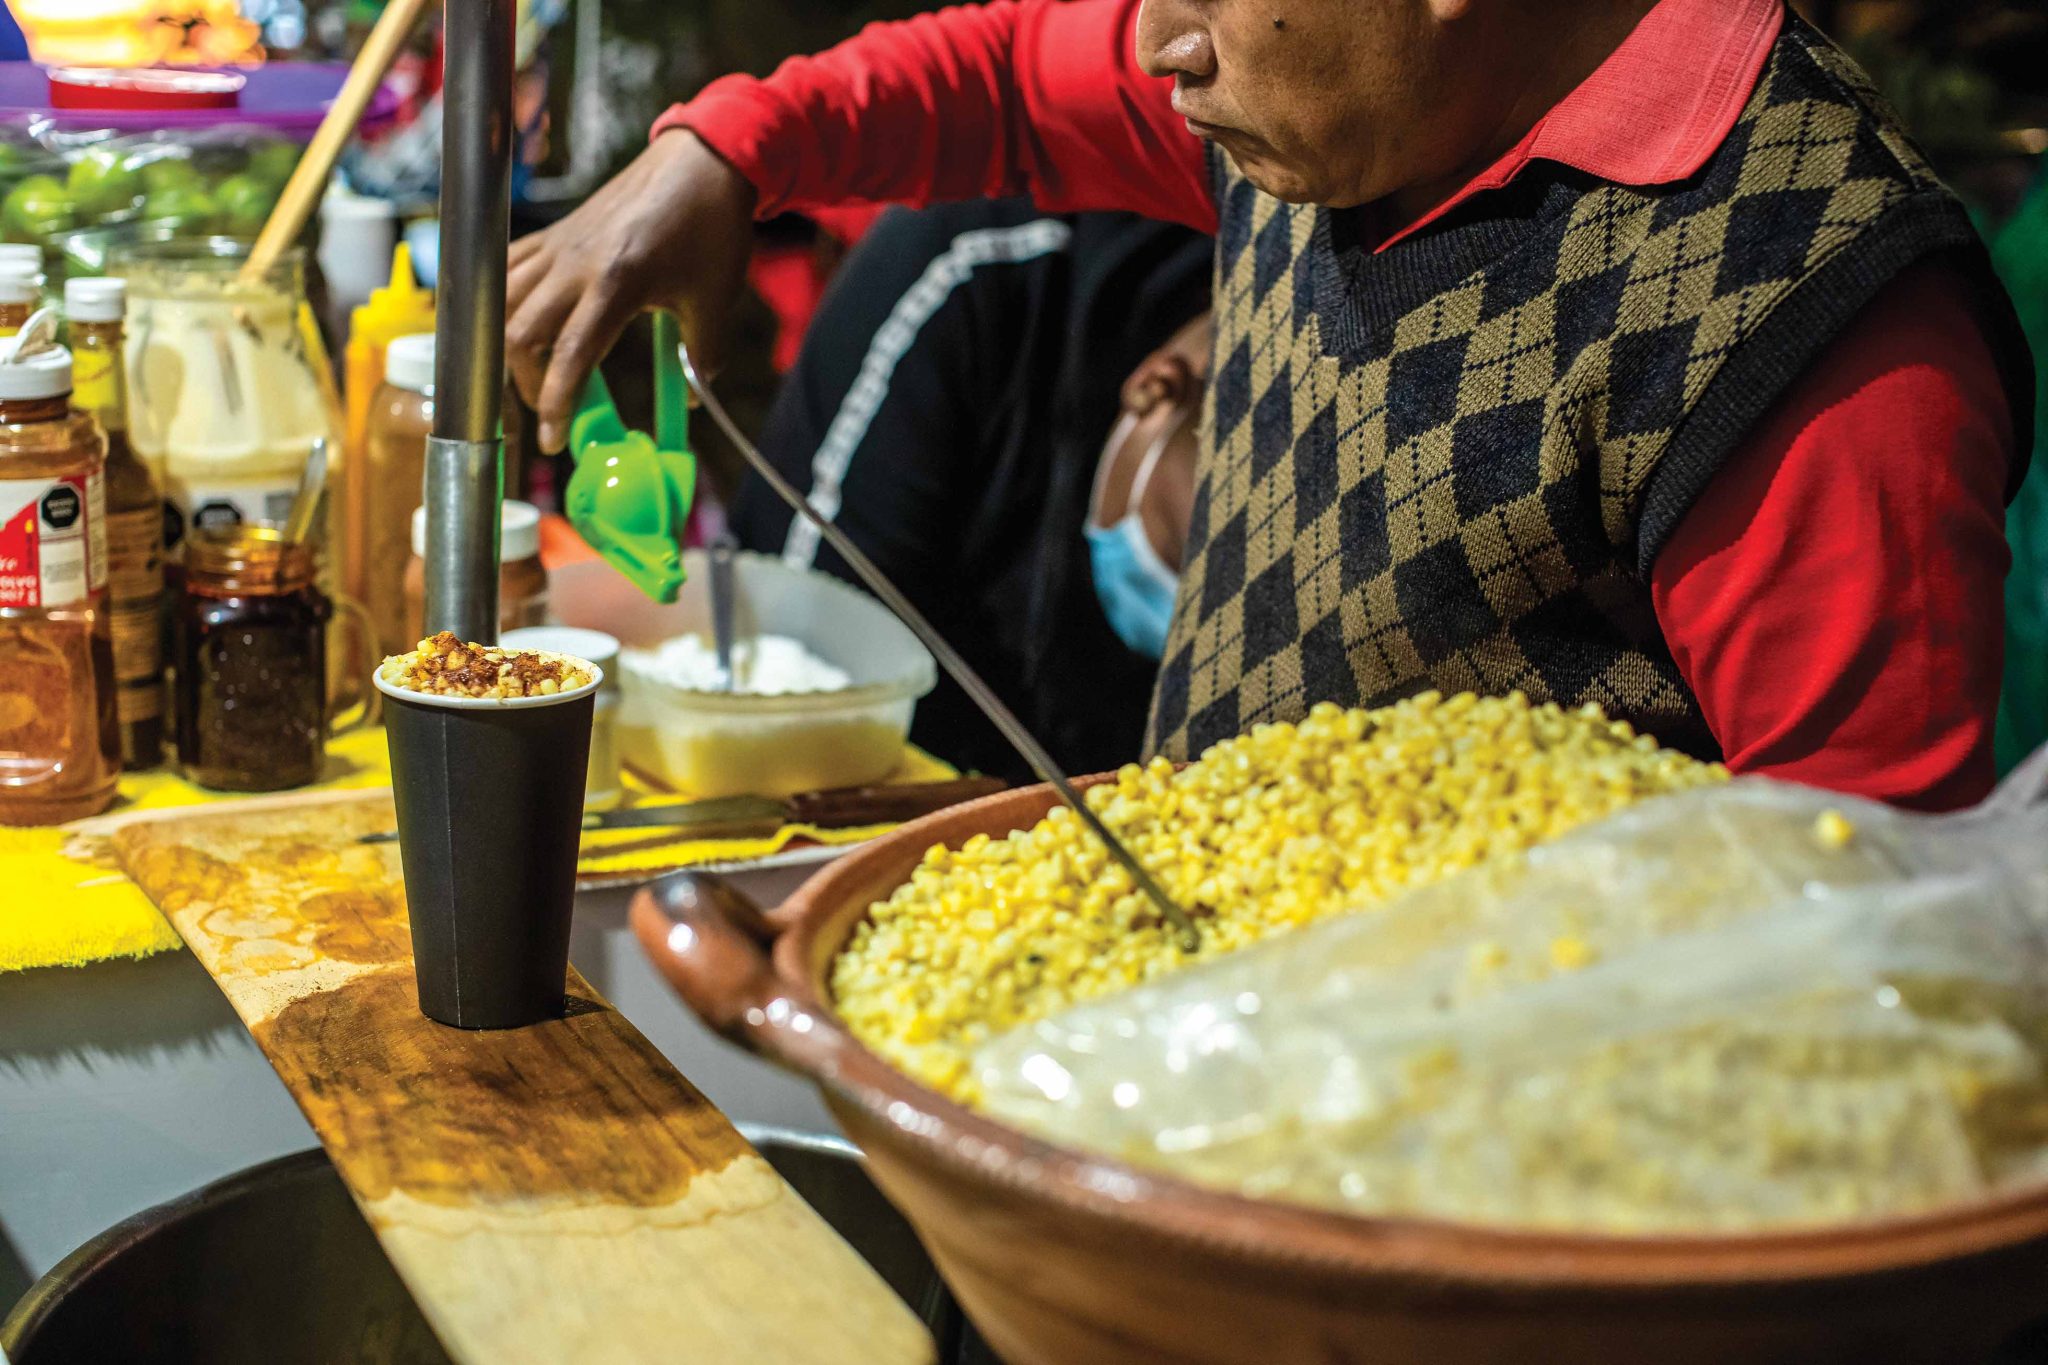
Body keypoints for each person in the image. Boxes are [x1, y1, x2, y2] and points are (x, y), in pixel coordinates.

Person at [506, 0, 2034, 809]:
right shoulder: (1317, 92)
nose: (1161, 41)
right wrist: (722, 153)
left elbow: (1862, 939)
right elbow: (996, 74)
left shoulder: (1815, 321)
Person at [730, 197, 1209, 779]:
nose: (1203, 598)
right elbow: (788, 674)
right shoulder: (971, 274)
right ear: (1157, 390)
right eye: (1199, 544)